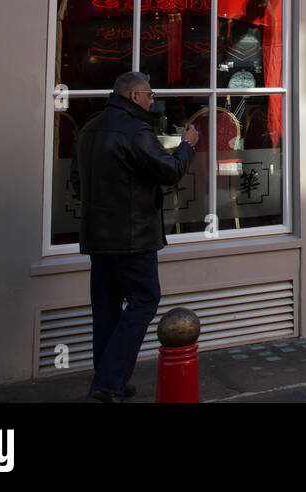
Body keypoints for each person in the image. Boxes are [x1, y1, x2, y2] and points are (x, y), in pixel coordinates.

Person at [72, 72, 198, 402]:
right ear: (132, 96)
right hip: (132, 237)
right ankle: (108, 384)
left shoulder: (89, 129)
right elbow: (169, 171)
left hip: (97, 238)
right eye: (149, 94)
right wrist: (187, 146)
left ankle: (109, 379)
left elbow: (76, 183)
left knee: (107, 310)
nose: (152, 100)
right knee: (144, 300)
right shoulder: (135, 130)